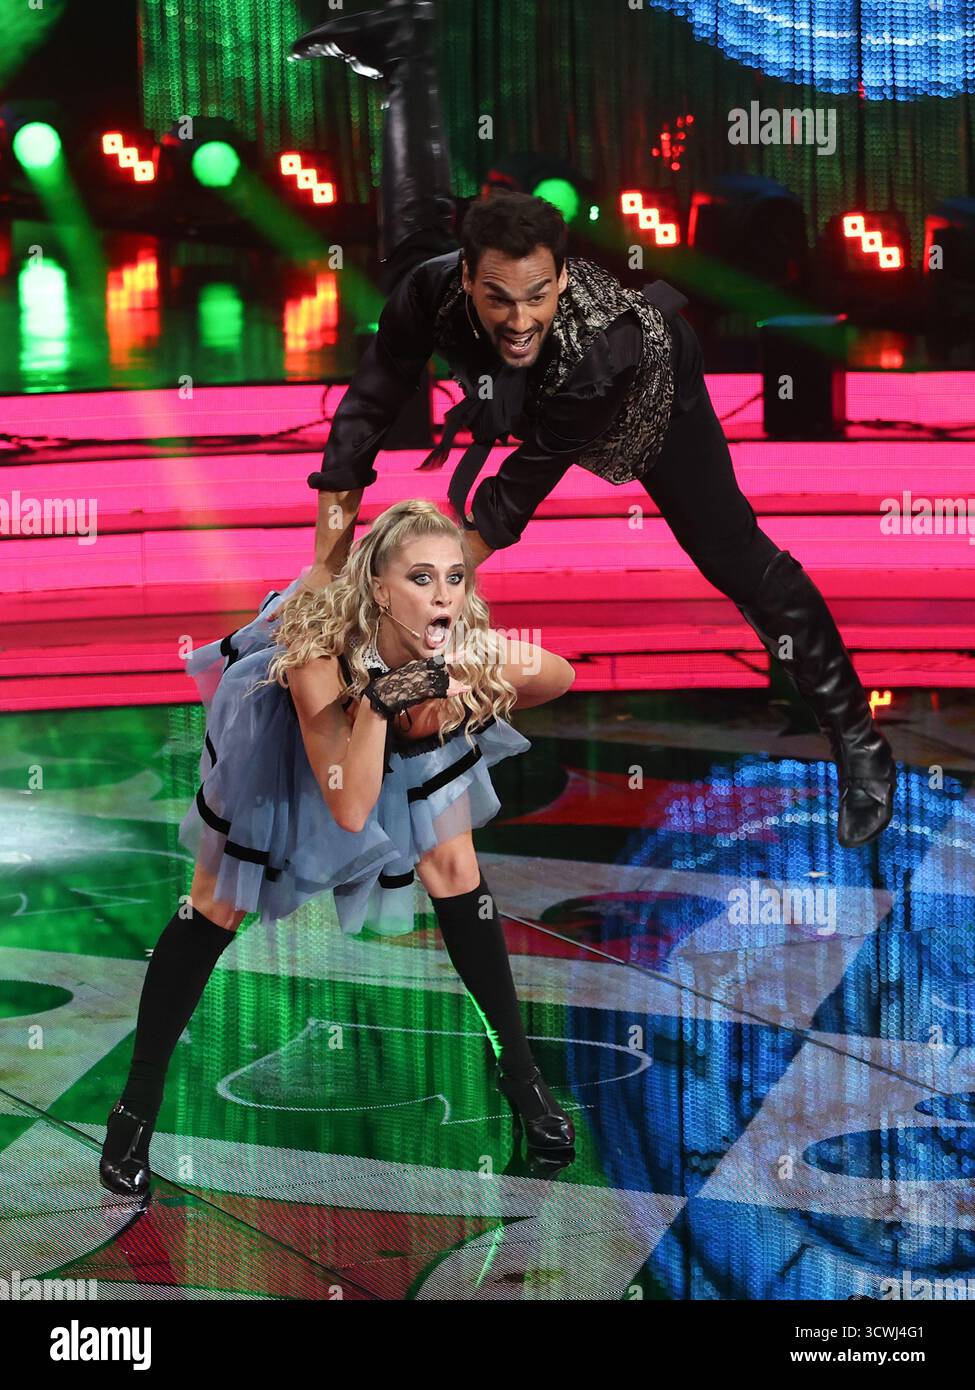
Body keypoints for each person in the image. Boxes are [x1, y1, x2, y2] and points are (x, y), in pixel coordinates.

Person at [289, 0, 897, 851]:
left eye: (538, 297)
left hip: (650, 404)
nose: (518, 318)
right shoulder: (438, 286)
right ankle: (406, 47)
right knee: (406, 262)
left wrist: (395, 610)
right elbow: (372, 395)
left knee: (739, 562)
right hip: (514, 366)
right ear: (468, 279)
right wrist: (328, 547)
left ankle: (860, 745)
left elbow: (505, 504)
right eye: (497, 296)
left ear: (563, 277)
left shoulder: (590, 360)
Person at [99, 499, 577, 1199]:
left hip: (397, 711)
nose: (443, 596)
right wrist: (381, 704)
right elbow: (348, 807)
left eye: (453, 578)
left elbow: (559, 673)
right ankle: (133, 1111)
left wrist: (448, 677)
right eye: (421, 578)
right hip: (297, 740)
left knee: (453, 867)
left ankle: (524, 1082)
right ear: (381, 590)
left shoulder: (452, 637)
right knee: (218, 902)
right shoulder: (313, 657)